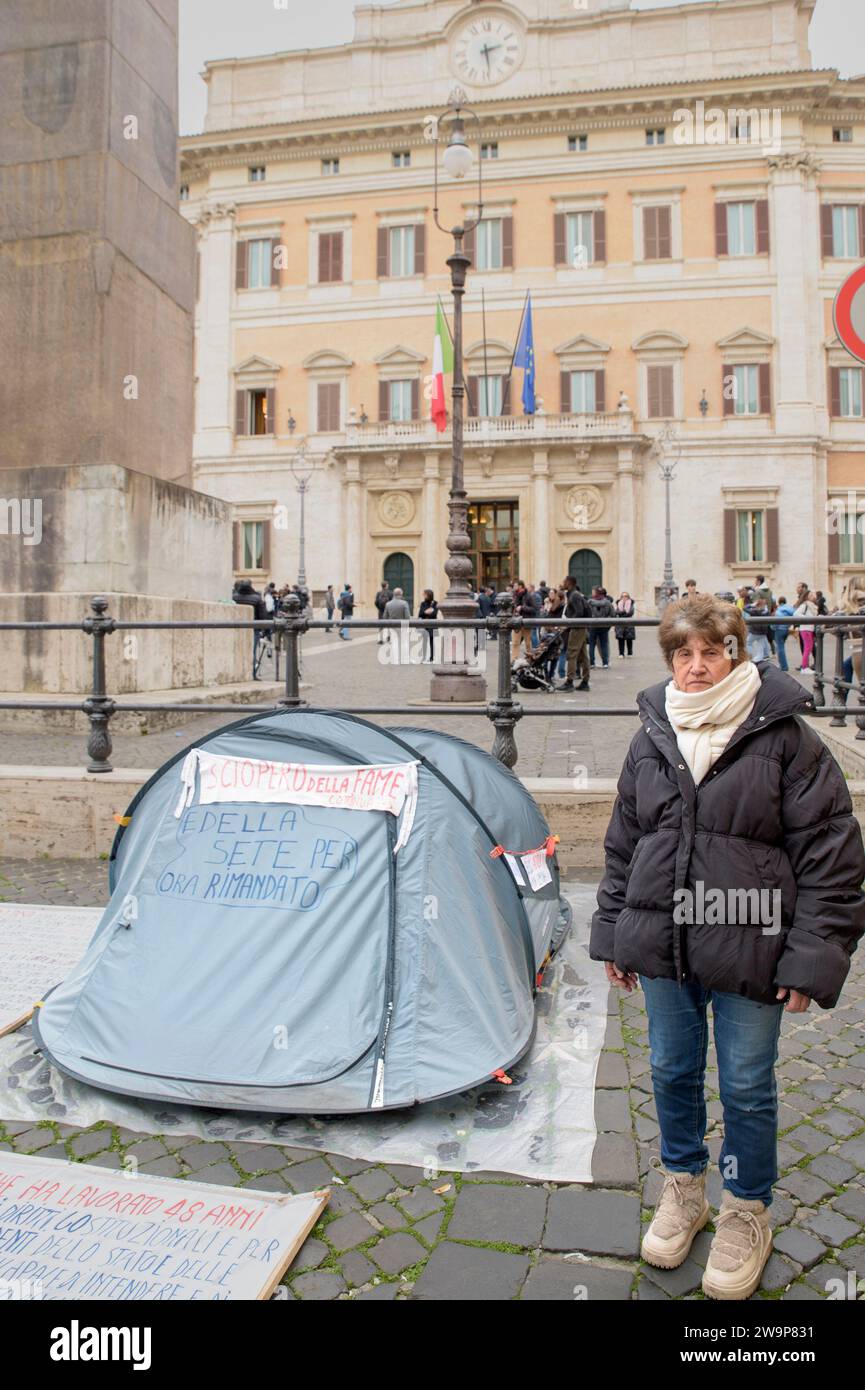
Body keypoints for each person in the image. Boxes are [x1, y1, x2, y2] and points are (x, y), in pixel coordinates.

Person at [591, 593, 865, 1300]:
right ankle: (683, 1187)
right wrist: (616, 933)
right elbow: (623, 844)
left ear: (737, 653)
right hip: (663, 940)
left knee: (746, 1083)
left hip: (752, 947)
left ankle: (746, 1207)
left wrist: (809, 958)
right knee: (669, 1070)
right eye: (682, 652)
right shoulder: (651, 733)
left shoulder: (787, 739)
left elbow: (831, 856)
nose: (696, 666)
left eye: (711, 650)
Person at [558, 575, 591, 691]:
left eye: (564, 581)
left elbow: (579, 612)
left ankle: (569, 681)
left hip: (577, 628)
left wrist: (570, 623)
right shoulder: (573, 594)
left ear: (569, 583)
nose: (563, 583)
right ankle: (585, 681)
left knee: (571, 654)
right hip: (580, 627)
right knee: (583, 654)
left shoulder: (574, 595)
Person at [232, 578, 268, 680]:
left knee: (236, 651)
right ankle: (252, 674)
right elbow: (262, 615)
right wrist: (264, 629)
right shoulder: (257, 598)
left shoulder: (234, 597)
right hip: (253, 628)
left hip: (237, 628)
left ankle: (237, 673)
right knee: (251, 652)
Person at [511, 579, 539, 662]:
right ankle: (513, 660)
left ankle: (529, 660)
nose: (513, 587)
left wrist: (522, 608)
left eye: (515, 586)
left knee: (528, 643)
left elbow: (534, 609)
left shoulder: (528, 596)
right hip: (516, 622)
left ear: (520, 586)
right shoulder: (515, 595)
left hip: (526, 622)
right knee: (515, 642)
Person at [588, 586, 615, 668]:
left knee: (592, 645)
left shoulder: (589, 602)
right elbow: (612, 614)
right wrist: (608, 625)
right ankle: (605, 663)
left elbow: (587, 614)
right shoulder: (607, 603)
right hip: (603, 626)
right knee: (604, 645)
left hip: (592, 626)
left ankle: (592, 663)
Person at [743, 592, 772, 662]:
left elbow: (745, 608)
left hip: (755, 632)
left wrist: (752, 605)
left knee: (748, 643)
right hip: (763, 632)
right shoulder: (766, 611)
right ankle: (763, 657)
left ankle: (752, 656)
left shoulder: (755, 611)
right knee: (762, 645)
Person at [793, 589, 818, 671]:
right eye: (810, 595)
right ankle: (804, 667)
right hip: (805, 628)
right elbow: (796, 614)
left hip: (810, 629)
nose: (813, 596)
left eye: (813, 595)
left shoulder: (812, 606)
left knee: (809, 647)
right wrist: (807, 619)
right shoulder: (805, 605)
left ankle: (805, 666)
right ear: (807, 597)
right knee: (807, 648)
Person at [772, 595, 794, 672]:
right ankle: (783, 665)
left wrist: (773, 628)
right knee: (781, 647)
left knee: (780, 648)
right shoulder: (790, 609)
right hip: (786, 629)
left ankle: (784, 666)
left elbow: (776, 622)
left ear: (779, 602)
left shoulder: (779, 611)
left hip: (779, 630)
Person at [418, 589, 439, 661]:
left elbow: (434, 614)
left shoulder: (435, 603)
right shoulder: (423, 603)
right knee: (424, 642)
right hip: (424, 624)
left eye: (424, 594)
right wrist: (427, 612)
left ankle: (432, 657)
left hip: (432, 624)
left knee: (431, 641)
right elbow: (420, 614)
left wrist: (425, 612)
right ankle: (423, 657)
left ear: (428, 595)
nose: (423, 595)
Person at [614, 592, 636, 658]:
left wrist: (621, 613)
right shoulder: (619, 603)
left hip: (629, 624)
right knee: (620, 639)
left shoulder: (631, 603)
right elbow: (616, 612)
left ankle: (629, 653)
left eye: (626, 596)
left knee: (629, 639)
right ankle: (621, 653)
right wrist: (624, 612)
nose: (624, 597)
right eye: (623, 596)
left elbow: (630, 613)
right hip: (620, 624)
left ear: (628, 597)